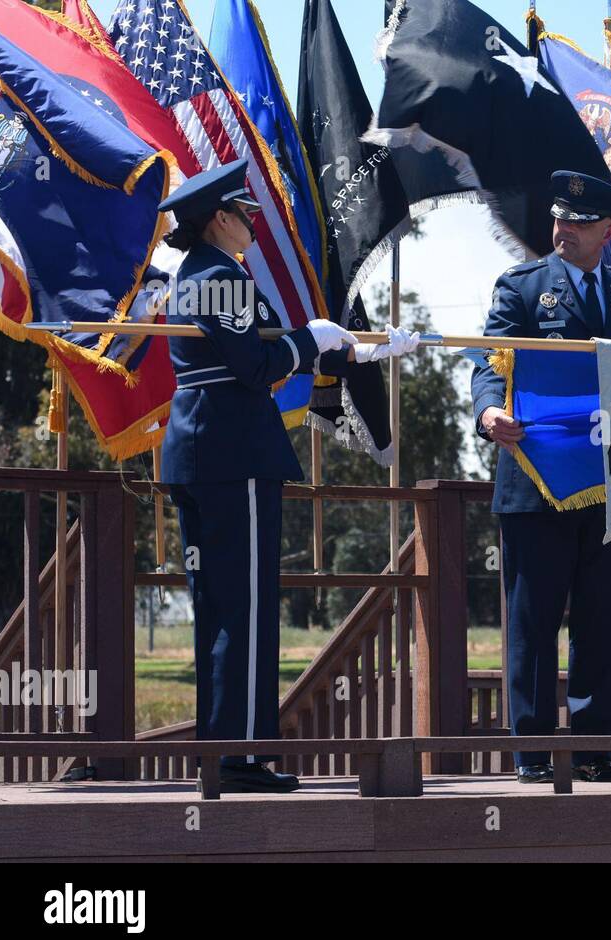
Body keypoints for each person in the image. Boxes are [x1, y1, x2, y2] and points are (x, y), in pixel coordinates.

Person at [158, 160, 419, 793]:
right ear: (219, 218)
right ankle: (241, 755)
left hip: (204, 451)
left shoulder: (196, 276)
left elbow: (249, 354)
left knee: (221, 608)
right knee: (242, 610)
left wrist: (351, 347)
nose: (252, 223)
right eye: (244, 213)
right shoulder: (220, 277)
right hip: (233, 454)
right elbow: (256, 366)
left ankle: (228, 750)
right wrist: (310, 339)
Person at [471, 170, 611, 783]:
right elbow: (489, 358)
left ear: (608, 230)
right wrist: (488, 410)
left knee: (603, 620)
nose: (563, 230)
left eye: (579, 223)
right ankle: (532, 752)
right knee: (533, 624)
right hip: (537, 483)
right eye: (558, 219)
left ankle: (594, 748)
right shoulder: (523, 288)